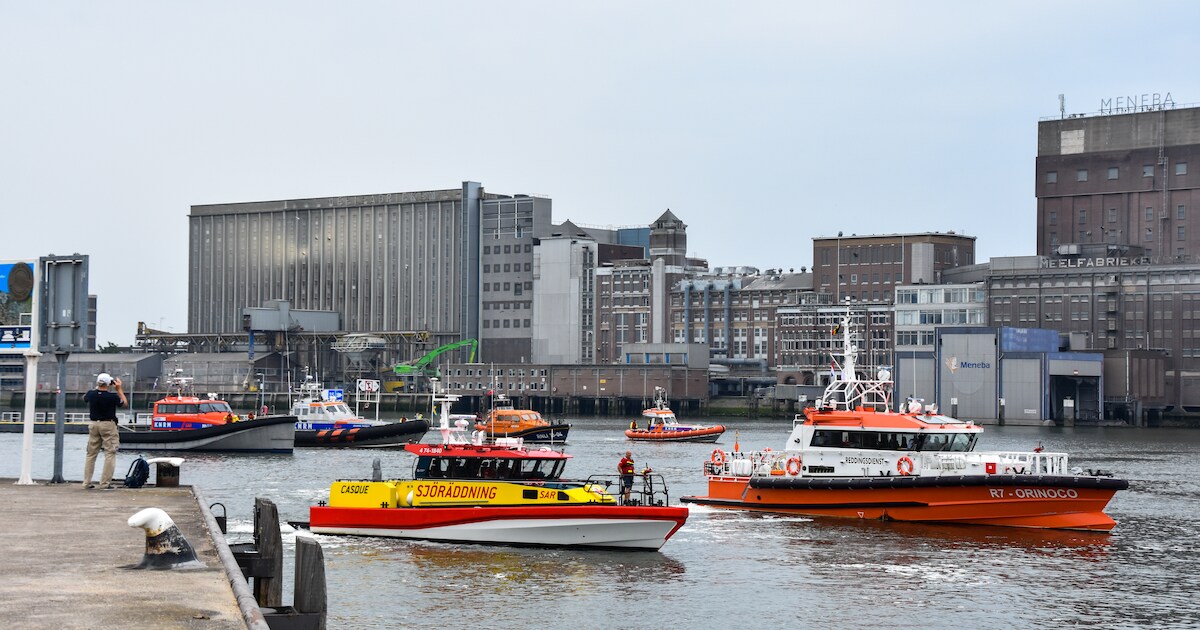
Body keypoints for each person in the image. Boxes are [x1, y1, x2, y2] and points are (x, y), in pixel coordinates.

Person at [82, 373, 127, 490]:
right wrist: (119, 389)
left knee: (91, 454)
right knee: (110, 453)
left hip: (93, 424)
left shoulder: (91, 394)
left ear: (97, 382)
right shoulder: (112, 397)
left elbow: (85, 398)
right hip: (108, 424)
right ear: (109, 383)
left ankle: (86, 482)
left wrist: (98, 388)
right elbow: (124, 403)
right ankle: (105, 483)